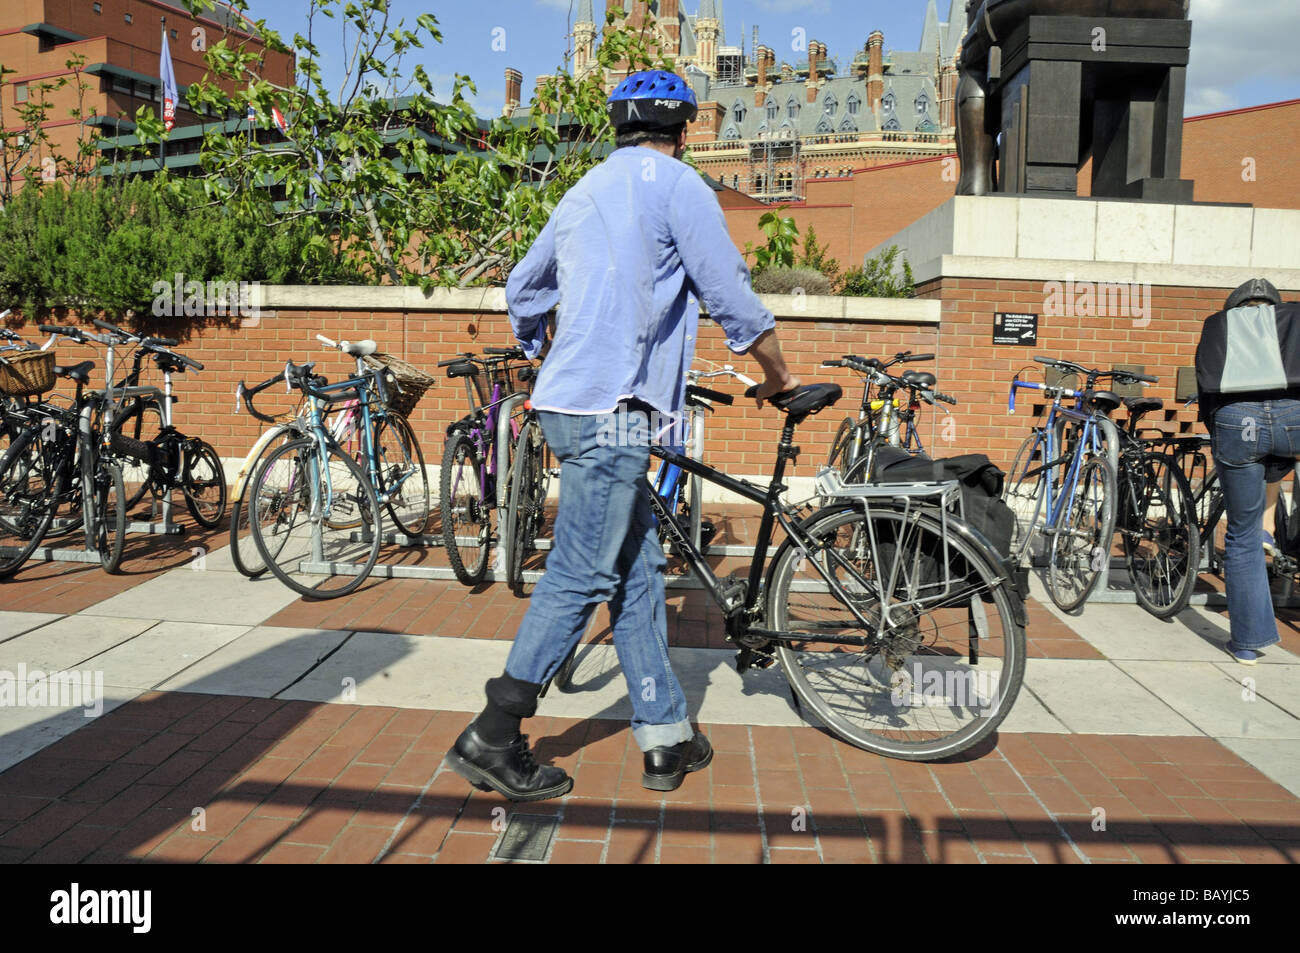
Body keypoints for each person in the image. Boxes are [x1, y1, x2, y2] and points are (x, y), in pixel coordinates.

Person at [445, 70, 799, 800]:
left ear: (618, 127)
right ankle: (493, 732)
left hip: (567, 406)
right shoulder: (679, 187)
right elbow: (732, 294)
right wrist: (778, 376)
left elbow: (523, 289)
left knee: (635, 571)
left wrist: (546, 349)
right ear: (684, 131)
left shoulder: (582, 192)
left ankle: (666, 735)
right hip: (615, 410)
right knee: (580, 571)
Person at [1195, 277, 1300, 664]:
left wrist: (1221, 433)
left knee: (1242, 534)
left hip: (1237, 422)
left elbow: (1208, 394)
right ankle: (1274, 525)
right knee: (1277, 456)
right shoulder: (1292, 322)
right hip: (1295, 417)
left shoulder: (1219, 328)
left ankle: (1247, 644)